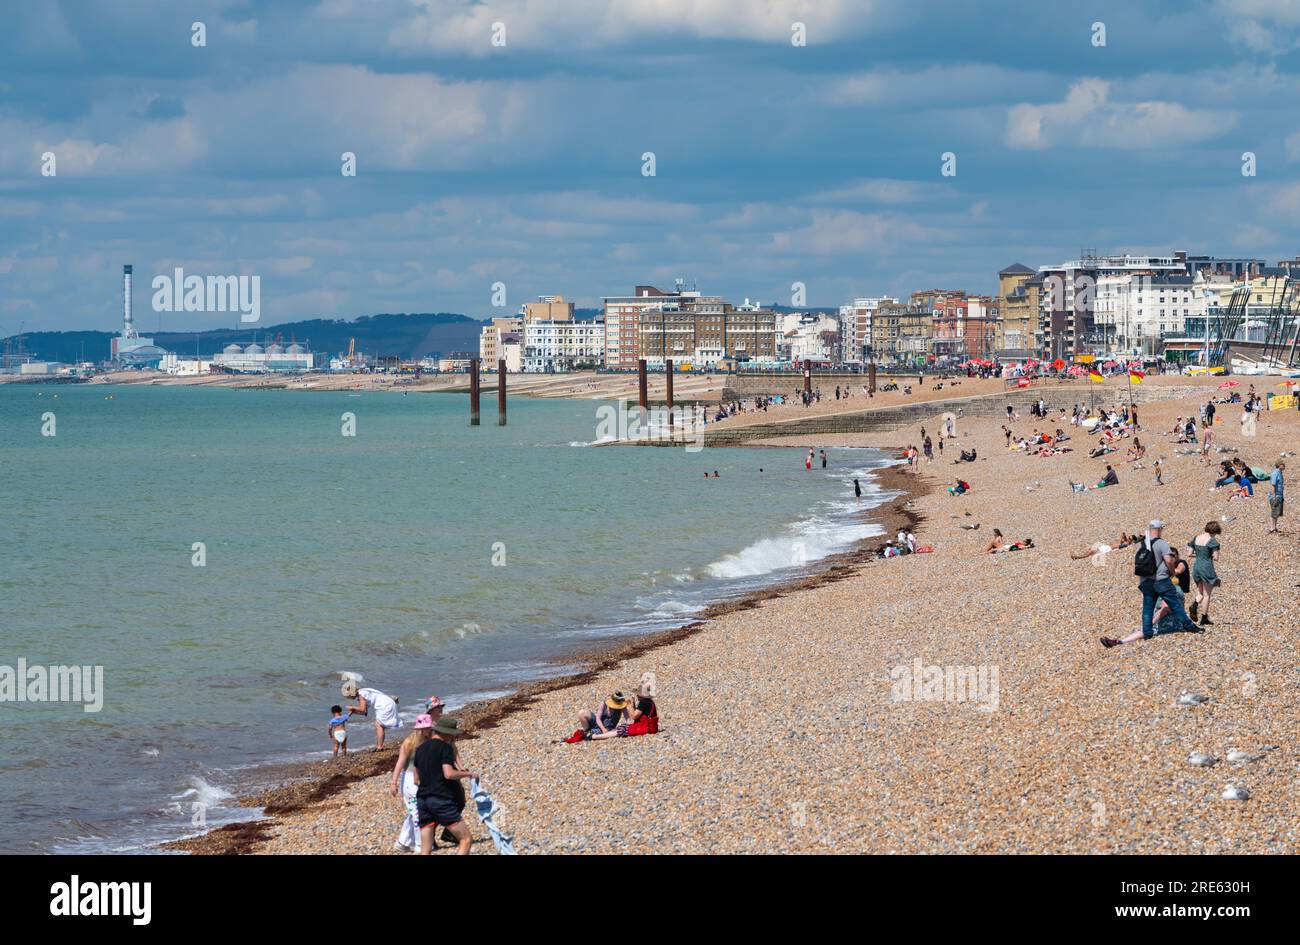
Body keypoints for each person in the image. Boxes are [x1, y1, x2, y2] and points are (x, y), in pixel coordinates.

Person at [1100, 520, 1199, 648]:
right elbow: (1169, 560)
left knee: (1147, 608)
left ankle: (1144, 633)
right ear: (1159, 529)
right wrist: (1171, 572)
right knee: (1174, 603)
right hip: (1160, 581)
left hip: (1145, 580)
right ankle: (1190, 626)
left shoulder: (1143, 543)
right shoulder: (1162, 544)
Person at [413, 716, 476, 855]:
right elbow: (448, 774)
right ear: (447, 733)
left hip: (422, 800)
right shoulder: (445, 748)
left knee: (425, 850)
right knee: (466, 839)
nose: (454, 738)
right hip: (440, 799)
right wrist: (468, 774)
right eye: (453, 734)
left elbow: (416, 779)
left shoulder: (420, 749)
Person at [390, 714, 434, 852]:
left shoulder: (430, 739)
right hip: (409, 780)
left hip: (425, 779)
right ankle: (420, 845)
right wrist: (394, 782)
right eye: (427, 728)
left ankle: (403, 842)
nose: (430, 730)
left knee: (413, 811)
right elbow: (400, 763)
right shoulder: (409, 742)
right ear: (421, 729)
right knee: (417, 812)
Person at [342, 681, 402, 749]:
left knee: (379, 725)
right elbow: (364, 712)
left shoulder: (361, 695)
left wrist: (353, 707)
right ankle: (379, 746)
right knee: (379, 725)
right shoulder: (363, 692)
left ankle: (379, 747)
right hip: (388, 703)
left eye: (348, 696)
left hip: (384, 705)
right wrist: (353, 711)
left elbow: (362, 709)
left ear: (351, 693)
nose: (348, 698)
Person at [1188, 521, 1222, 626]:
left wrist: (1199, 555)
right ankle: (1204, 618)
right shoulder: (1212, 541)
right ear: (1215, 531)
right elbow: (1216, 558)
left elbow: (1189, 554)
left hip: (1197, 567)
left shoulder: (1196, 538)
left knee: (1200, 593)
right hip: (1207, 568)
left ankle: (1194, 604)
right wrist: (1208, 556)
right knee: (1207, 595)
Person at [1268, 460, 1285, 532]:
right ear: (1278, 465)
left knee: (1277, 512)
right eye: (1283, 464)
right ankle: (1272, 527)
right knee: (1274, 511)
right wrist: (1274, 496)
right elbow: (1273, 485)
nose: (1284, 466)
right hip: (1275, 496)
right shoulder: (1275, 473)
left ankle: (1275, 527)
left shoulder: (1280, 473)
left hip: (1279, 495)